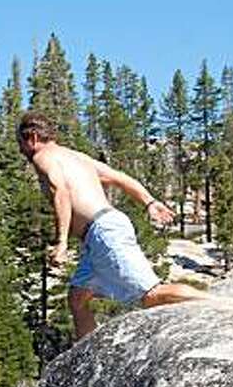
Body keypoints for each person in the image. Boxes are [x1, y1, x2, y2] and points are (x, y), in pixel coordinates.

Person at [18, 110, 207, 339]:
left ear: (33, 138)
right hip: (101, 231)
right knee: (77, 298)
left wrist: (62, 242)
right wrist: (149, 201)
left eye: (21, 143)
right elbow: (119, 177)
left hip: (103, 232)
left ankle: (218, 303)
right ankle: (87, 352)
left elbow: (61, 192)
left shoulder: (43, 157)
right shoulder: (77, 157)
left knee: (151, 295)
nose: (21, 150)